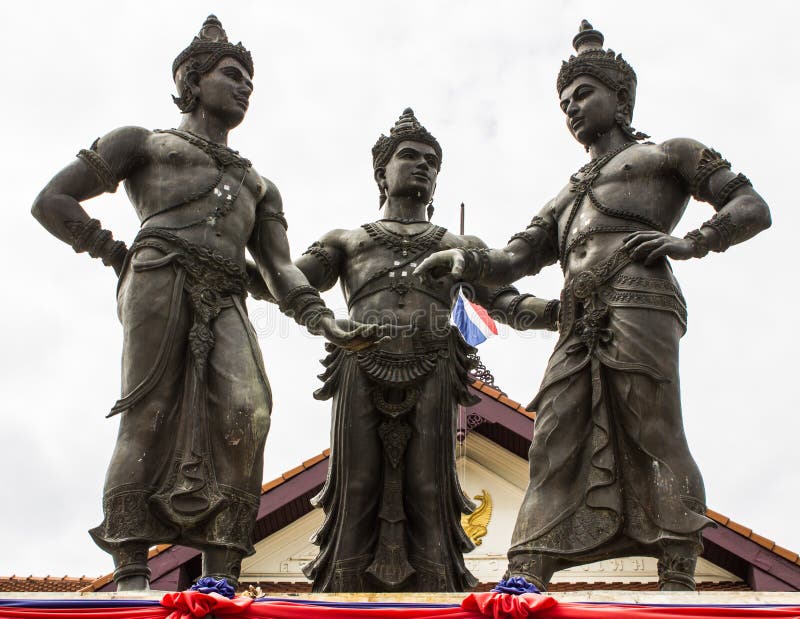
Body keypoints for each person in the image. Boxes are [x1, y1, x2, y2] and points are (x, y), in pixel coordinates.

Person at [414, 21, 771, 591]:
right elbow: (514, 257)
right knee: (554, 435)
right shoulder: (565, 195)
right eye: (564, 102)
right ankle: (529, 564)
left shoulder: (667, 155)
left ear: (620, 97)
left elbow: (752, 205)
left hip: (640, 298)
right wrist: (467, 261)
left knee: (651, 427)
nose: (572, 108)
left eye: (583, 94)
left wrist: (694, 241)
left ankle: (677, 561)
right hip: (577, 319)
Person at [31, 15, 380, 591]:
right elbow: (52, 200)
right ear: (192, 80)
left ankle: (221, 569)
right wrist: (115, 254)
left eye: (250, 80)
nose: (245, 87)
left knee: (249, 410)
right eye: (233, 74)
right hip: (157, 278)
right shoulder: (140, 143)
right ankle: (131, 567)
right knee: (150, 408)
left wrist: (322, 319)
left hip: (227, 294)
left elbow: (279, 268)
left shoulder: (258, 184)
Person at [277, 108, 559, 592]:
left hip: (435, 363)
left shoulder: (458, 245)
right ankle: (342, 588)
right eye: (409, 156)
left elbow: (504, 301)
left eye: (432, 161)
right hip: (359, 362)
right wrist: (234, 260)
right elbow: (285, 279)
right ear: (380, 172)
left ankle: (437, 588)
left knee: (430, 487)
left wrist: (558, 312)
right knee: (356, 485)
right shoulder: (348, 240)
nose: (422, 165)